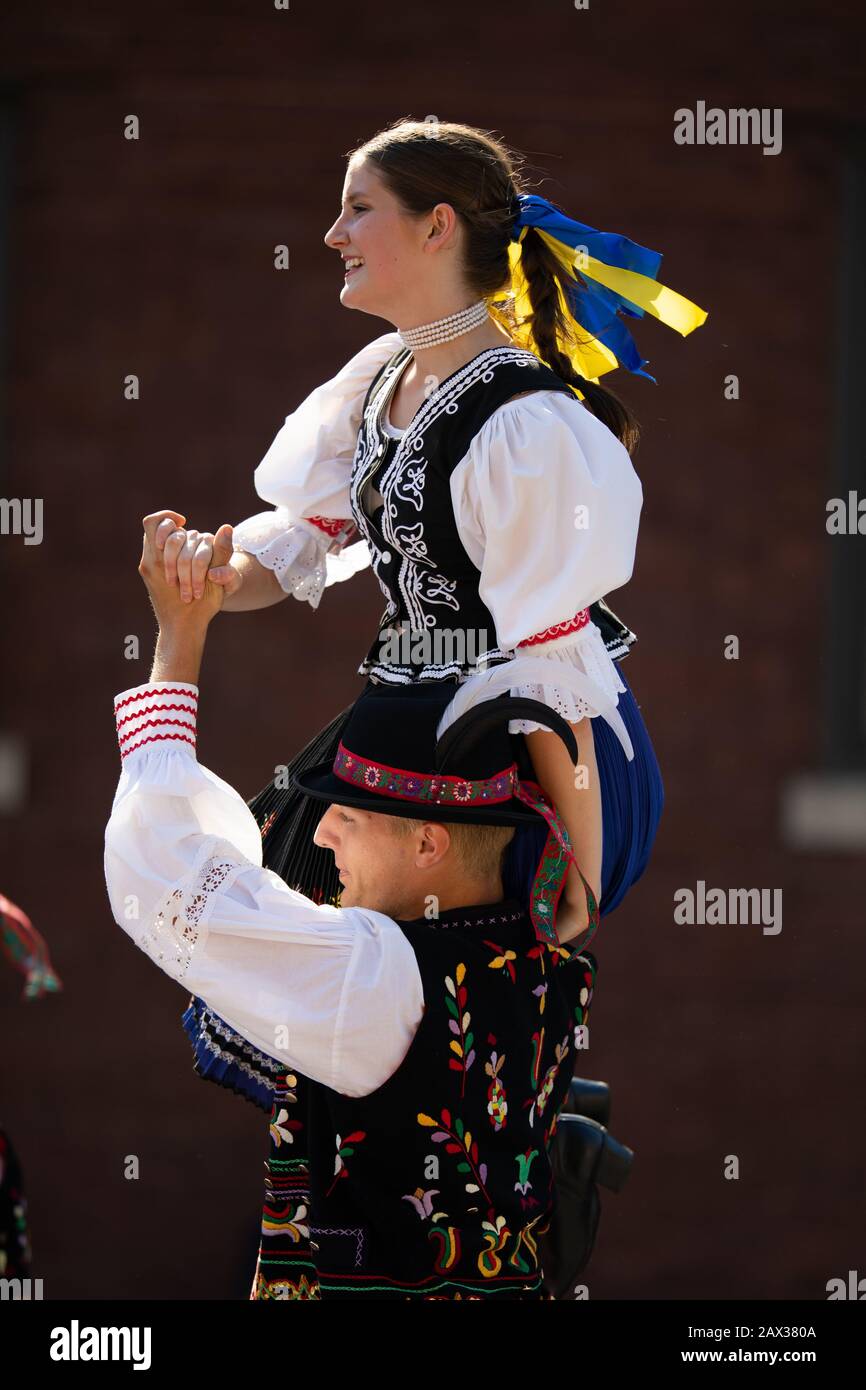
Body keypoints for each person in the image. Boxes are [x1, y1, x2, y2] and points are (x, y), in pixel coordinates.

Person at [150, 118, 705, 1107]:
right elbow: (313, 537)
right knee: (346, 1054)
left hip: (505, 772)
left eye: (358, 208)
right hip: (400, 747)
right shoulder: (376, 384)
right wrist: (218, 573)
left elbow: (547, 663)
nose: (332, 234)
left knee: (447, 1063)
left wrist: (573, 878)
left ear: (437, 226)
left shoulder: (527, 423)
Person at [106, 515, 607, 1300]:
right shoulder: (536, 952)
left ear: (429, 846)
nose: (327, 830)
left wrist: (179, 639)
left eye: (352, 813)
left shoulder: (377, 976)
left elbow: (163, 877)